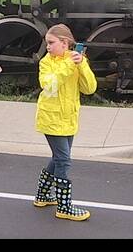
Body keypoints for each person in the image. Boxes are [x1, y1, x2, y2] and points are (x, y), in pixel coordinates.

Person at [33, 23, 96, 221]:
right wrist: (70, 65)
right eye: (47, 43)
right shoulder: (46, 62)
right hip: (51, 119)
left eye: (51, 43)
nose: (48, 47)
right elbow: (48, 86)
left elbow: (89, 88)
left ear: (65, 43)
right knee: (63, 160)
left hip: (68, 118)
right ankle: (64, 206)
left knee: (59, 157)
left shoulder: (74, 61)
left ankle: (42, 195)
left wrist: (82, 64)